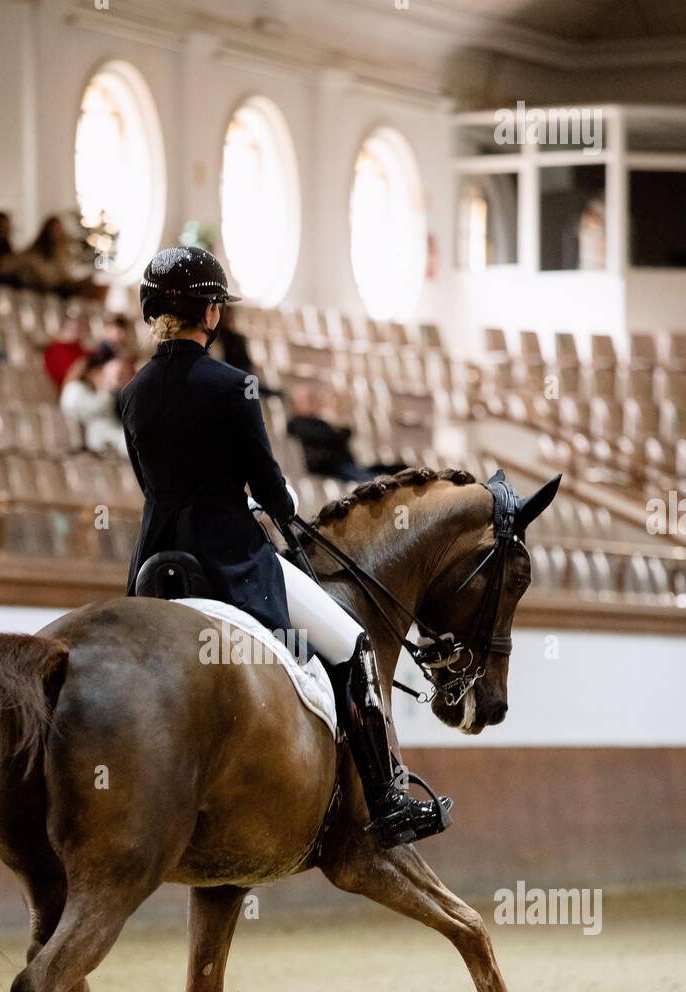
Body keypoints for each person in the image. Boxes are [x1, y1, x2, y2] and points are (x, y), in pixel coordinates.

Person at [119, 246, 451, 847]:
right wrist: (282, 504)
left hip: (156, 564)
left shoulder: (134, 392)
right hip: (229, 561)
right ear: (210, 314)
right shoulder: (233, 386)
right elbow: (270, 488)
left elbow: (151, 485)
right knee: (353, 648)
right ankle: (386, 800)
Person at [288, 384, 378, 482]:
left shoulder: (316, 420)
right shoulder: (298, 424)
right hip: (330, 468)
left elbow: (346, 432)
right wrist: (329, 416)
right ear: (296, 404)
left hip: (344, 465)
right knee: (372, 481)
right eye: (307, 400)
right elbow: (331, 437)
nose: (313, 402)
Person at [60, 343, 134, 455]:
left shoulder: (105, 393)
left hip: (113, 430)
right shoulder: (74, 389)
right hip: (99, 436)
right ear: (93, 372)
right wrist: (106, 390)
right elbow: (89, 410)